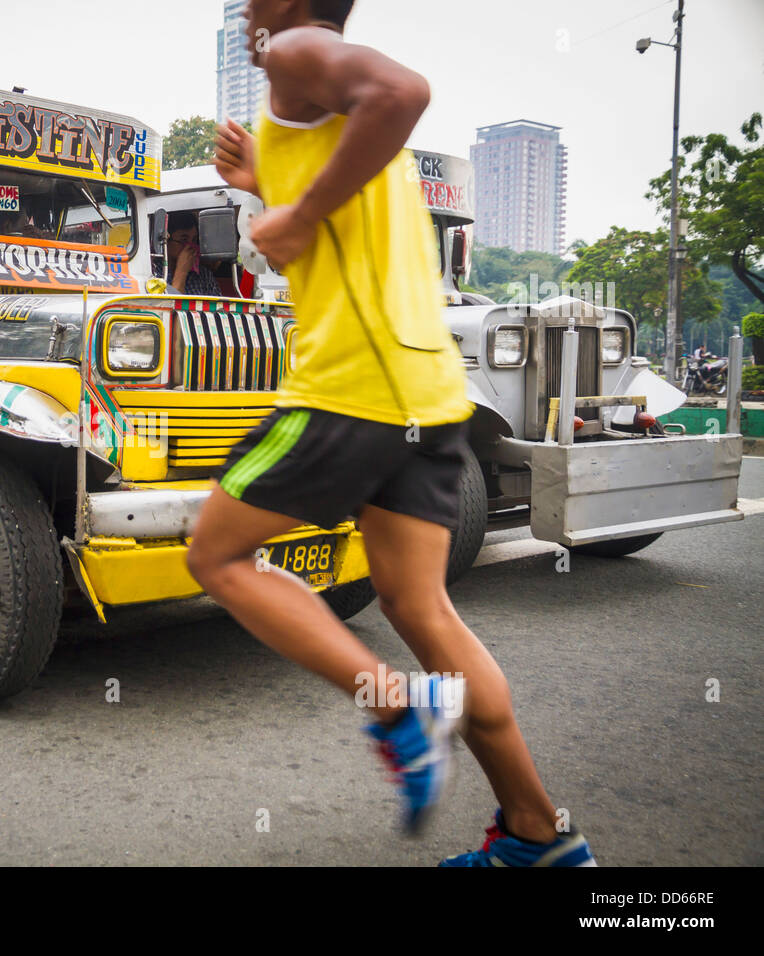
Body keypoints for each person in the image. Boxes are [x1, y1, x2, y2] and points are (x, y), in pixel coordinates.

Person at [187, 0, 596, 867]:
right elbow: (352, 218)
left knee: (216, 556)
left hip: (349, 386)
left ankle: (395, 706)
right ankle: (537, 834)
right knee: (421, 606)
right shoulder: (322, 111)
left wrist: (291, 216)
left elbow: (406, 91)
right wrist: (274, 185)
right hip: (426, 390)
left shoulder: (300, 50)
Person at [153, 211, 223, 296]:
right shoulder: (154, 273)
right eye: (184, 240)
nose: (190, 246)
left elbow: (218, 308)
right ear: (166, 242)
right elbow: (169, 306)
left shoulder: (204, 275)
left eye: (194, 240)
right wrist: (181, 272)